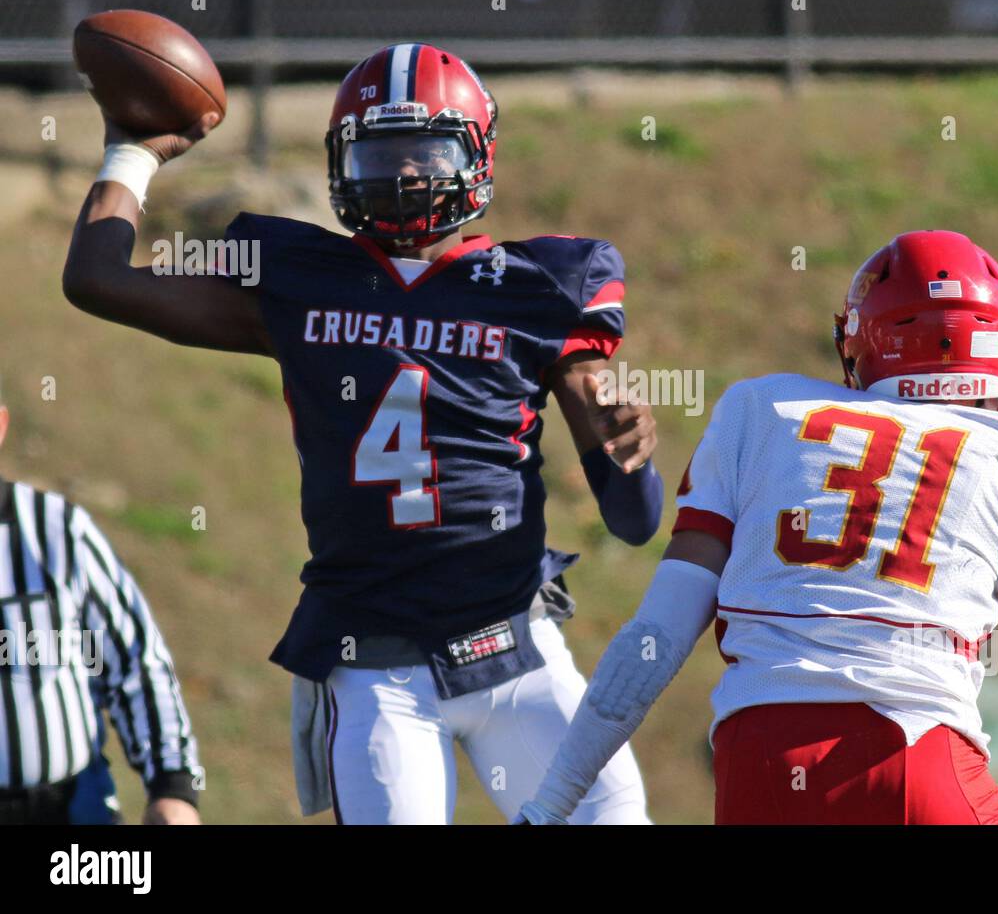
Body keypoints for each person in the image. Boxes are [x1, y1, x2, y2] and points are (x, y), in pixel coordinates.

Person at [61, 43, 658, 824]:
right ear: (342, 164)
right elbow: (98, 279)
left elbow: (634, 519)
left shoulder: (538, 287)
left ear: (475, 155)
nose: (405, 176)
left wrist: (626, 444)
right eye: (381, 155)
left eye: (426, 153)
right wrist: (132, 152)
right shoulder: (298, 277)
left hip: (515, 649)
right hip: (375, 665)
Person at [517, 229, 998, 825]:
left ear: (861, 340)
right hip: (914, 767)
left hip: (755, 770)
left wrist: (549, 805)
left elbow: (656, 636)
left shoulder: (762, 408)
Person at [0, 394, 201, 824]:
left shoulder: (55, 530)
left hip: (69, 812)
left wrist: (173, 787)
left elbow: (136, 661)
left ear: (0, 426)